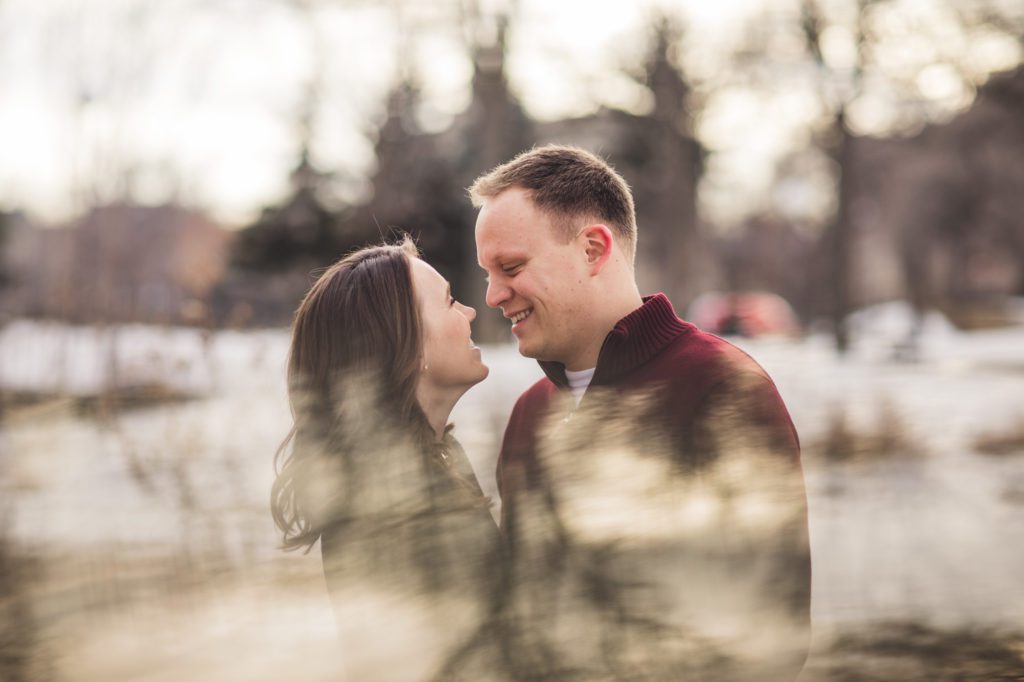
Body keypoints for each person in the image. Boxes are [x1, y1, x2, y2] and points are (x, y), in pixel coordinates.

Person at [470, 145, 812, 680]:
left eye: (510, 267)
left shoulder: (721, 389)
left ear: (592, 249)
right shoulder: (528, 416)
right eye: (488, 273)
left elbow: (771, 637)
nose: (493, 295)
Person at [270, 238, 502, 682]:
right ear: (410, 346)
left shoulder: (434, 460)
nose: (470, 312)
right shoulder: (388, 503)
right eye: (450, 301)